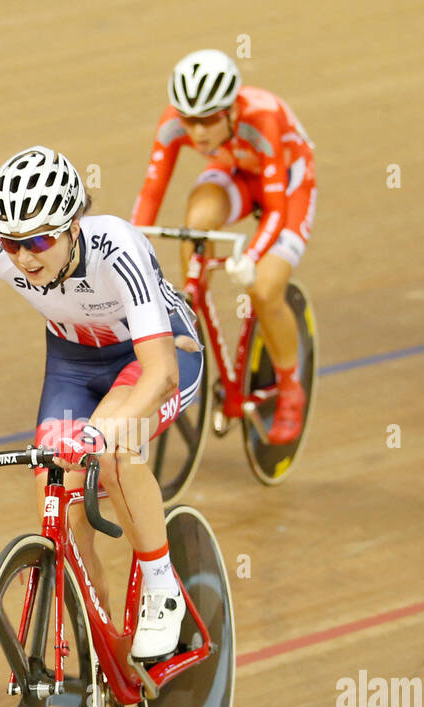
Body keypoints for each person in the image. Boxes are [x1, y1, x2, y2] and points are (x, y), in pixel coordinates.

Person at [0, 147, 204, 663]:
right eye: (13, 242)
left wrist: (102, 436)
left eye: (39, 239)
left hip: (153, 355)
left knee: (111, 449)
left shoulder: (118, 250)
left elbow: (160, 374)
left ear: (73, 225)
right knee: (53, 489)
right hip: (76, 365)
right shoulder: (7, 250)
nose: (24, 257)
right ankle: (102, 639)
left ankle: (161, 587)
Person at [131, 48, 316, 445]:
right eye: (190, 119)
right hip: (235, 170)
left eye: (210, 119)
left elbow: (277, 209)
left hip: (288, 182)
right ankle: (193, 301)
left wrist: (250, 258)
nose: (198, 132)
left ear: (231, 110)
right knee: (196, 223)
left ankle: (290, 392)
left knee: (265, 288)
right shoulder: (173, 123)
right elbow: (151, 194)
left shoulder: (262, 118)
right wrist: (130, 244)